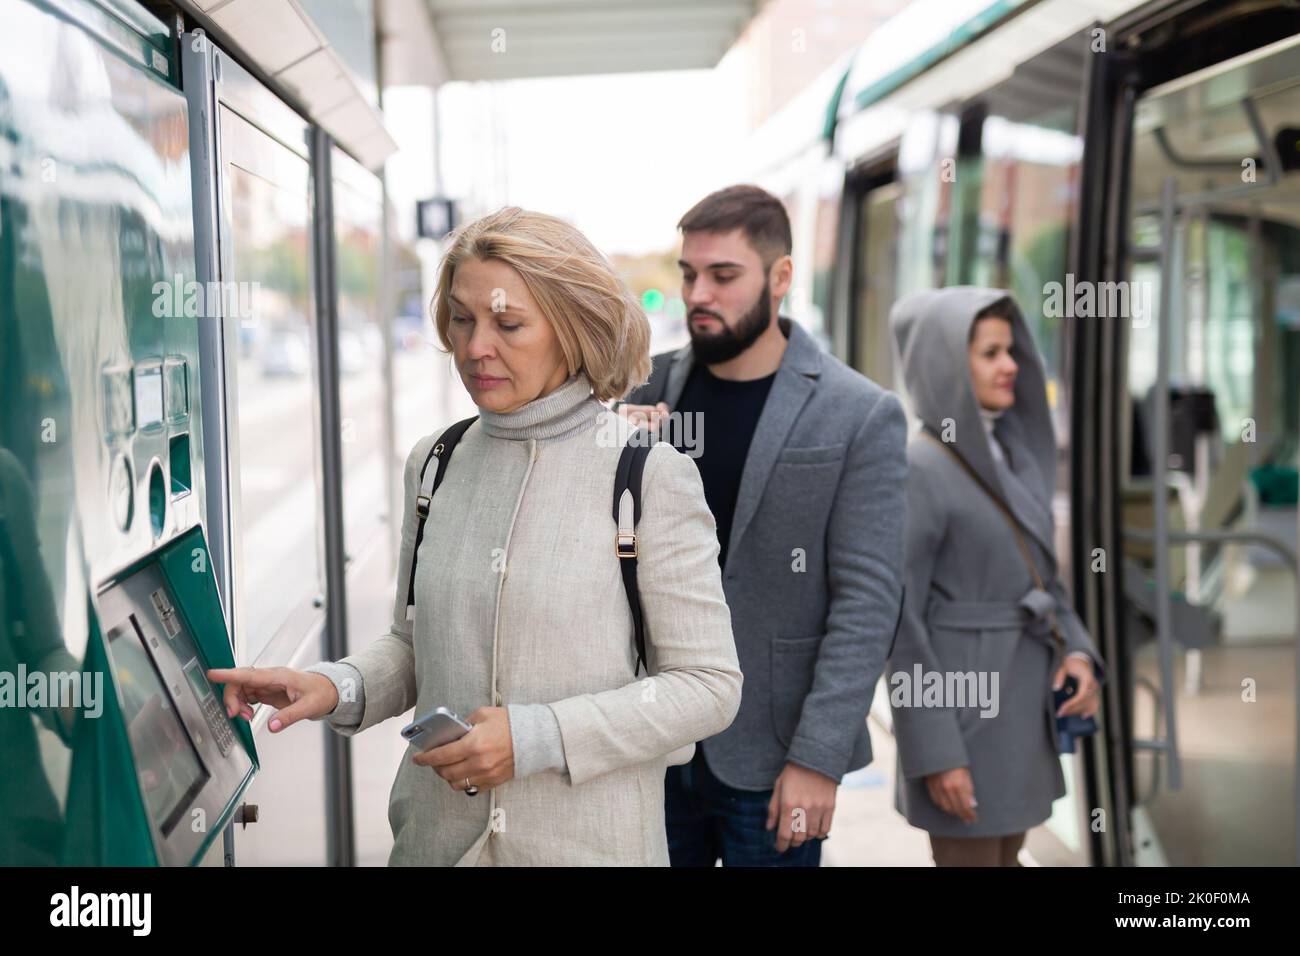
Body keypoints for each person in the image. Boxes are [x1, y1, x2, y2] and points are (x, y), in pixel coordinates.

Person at [209, 207, 742, 866]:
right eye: (461, 319)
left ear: (574, 330)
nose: (474, 347)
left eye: (507, 324)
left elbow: (708, 684)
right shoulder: (435, 463)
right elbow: (414, 646)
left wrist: (535, 736)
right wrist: (334, 686)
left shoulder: (649, 476)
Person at [617, 185, 906, 866]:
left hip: (774, 755)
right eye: (689, 274)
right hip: (650, 740)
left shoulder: (857, 412)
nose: (698, 294)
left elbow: (868, 602)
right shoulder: (643, 391)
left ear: (780, 277)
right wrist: (607, 455)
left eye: (723, 275)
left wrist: (819, 758)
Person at [887, 287, 1103, 867]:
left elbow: (1044, 581)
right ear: (946, 362)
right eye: (990, 353)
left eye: (1011, 351)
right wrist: (935, 753)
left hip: (1022, 712)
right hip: (964, 724)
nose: (1011, 366)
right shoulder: (917, 466)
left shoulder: (1013, 452)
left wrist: (1078, 652)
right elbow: (899, 625)